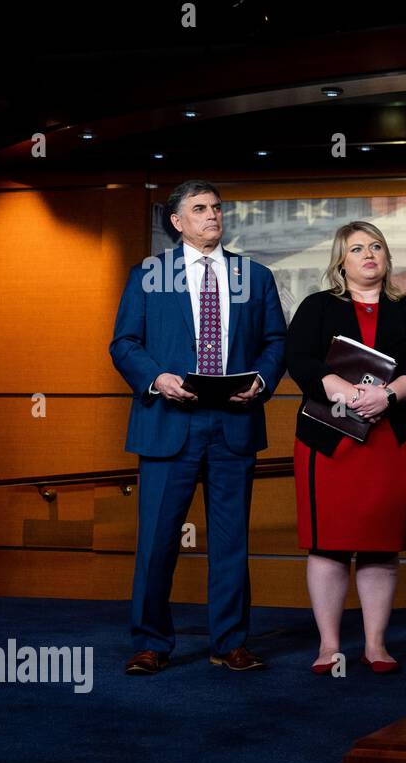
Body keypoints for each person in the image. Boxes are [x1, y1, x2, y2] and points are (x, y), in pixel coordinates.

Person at [110, 179, 287, 674]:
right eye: (201, 208)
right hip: (169, 422)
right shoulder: (147, 275)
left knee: (231, 542)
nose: (213, 216)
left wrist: (263, 382)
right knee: (158, 542)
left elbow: (276, 341)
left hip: (233, 424)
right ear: (177, 221)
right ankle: (150, 642)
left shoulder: (255, 276)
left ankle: (230, 641)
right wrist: (156, 378)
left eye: (217, 208)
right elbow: (124, 343)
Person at [284, 221, 406, 675]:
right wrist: (341, 389)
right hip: (329, 444)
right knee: (328, 544)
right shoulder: (317, 306)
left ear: (387, 257)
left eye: (376, 247)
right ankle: (329, 646)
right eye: (357, 249)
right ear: (341, 261)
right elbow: (299, 360)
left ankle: (375, 645)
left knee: (380, 546)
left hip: (390, 441)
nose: (369, 254)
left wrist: (386, 396)